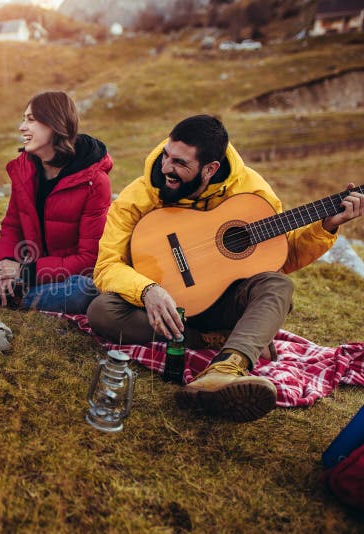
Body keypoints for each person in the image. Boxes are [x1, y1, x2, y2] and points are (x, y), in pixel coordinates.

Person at [87, 114, 362, 421]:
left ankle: (226, 368)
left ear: (210, 169)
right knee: (101, 310)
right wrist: (147, 290)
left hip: (222, 300)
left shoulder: (253, 192)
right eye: (166, 155)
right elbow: (107, 266)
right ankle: (211, 340)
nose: (166, 168)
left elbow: (281, 257)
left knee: (277, 285)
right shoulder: (139, 195)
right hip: (165, 307)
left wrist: (325, 227)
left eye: (179, 163)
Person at [0, 91, 112, 314]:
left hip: (61, 274)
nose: (22, 127)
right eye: (24, 118)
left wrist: (24, 272)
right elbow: (13, 225)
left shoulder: (94, 181)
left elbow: (89, 260)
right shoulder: (25, 168)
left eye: (31, 120)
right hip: (24, 258)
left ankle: (11, 295)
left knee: (86, 291)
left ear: (55, 124)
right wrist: (6, 262)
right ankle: (5, 290)